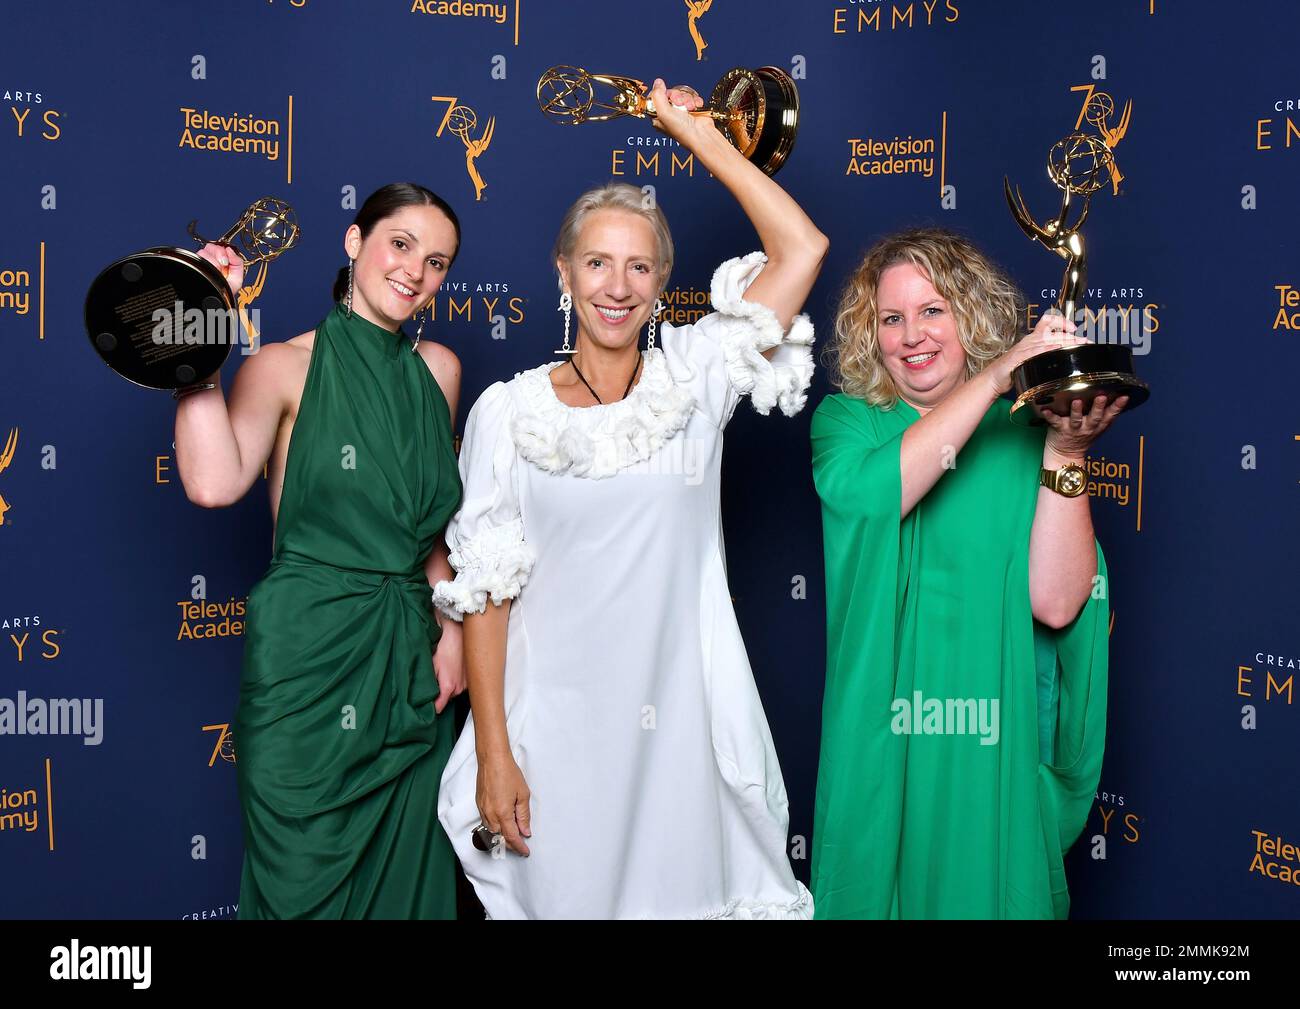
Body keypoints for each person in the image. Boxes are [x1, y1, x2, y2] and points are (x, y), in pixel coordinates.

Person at [432, 80, 827, 919]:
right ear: (564, 273)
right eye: (598, 261)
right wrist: (495, 751)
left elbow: (802, 248)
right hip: (551, 738)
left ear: (662, 281)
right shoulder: (509, 412)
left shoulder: (697, 376)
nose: (618, 284)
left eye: (639, 264)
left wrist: (692, 133)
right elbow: (488, 597)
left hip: (675, 734)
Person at [810, 227, 1127, 920]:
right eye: (891, 318)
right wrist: (992, 378)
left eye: (933, 310)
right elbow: (871, 495)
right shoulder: (848, 424)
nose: (911, 334)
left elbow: (1057, 601)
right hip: (881, 749)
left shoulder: (1025, 435)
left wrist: (1067, 451)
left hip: (992, 750)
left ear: (971, 316)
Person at [175, 183, 467, 918]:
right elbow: (213, 482)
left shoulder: (440, 370)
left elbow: (425, 522)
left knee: (409, 889)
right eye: (399, 245)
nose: (415, 272)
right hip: (307, 657)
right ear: (353, 241)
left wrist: (454, 627)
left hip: (409, 659)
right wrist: (200, 331)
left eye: (437, 262)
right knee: (298, 883)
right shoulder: (280, 366)